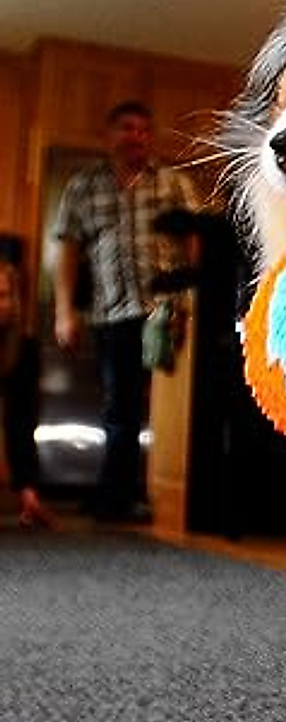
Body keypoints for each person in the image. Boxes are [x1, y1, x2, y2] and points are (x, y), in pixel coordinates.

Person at [53, 100, 196, 523]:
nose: (134, 136)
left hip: (167, 315)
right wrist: (64, 312)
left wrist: (192, 304)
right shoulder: (83, 187)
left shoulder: (174, 185)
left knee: (165, 411)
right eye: (125, 128)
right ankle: (116, 495)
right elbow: (68, 250)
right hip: (112, 314)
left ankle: (143, 495)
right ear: (108, 135)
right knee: (121, 407)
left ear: (149, 137)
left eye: (142, 129)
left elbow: (196, 244)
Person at [0, 258, 55, 528]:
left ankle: (29, 496)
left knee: (20, 417)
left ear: (15, 300)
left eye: (2, 295)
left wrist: (28, 488)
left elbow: (21, 422)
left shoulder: (24, 347)